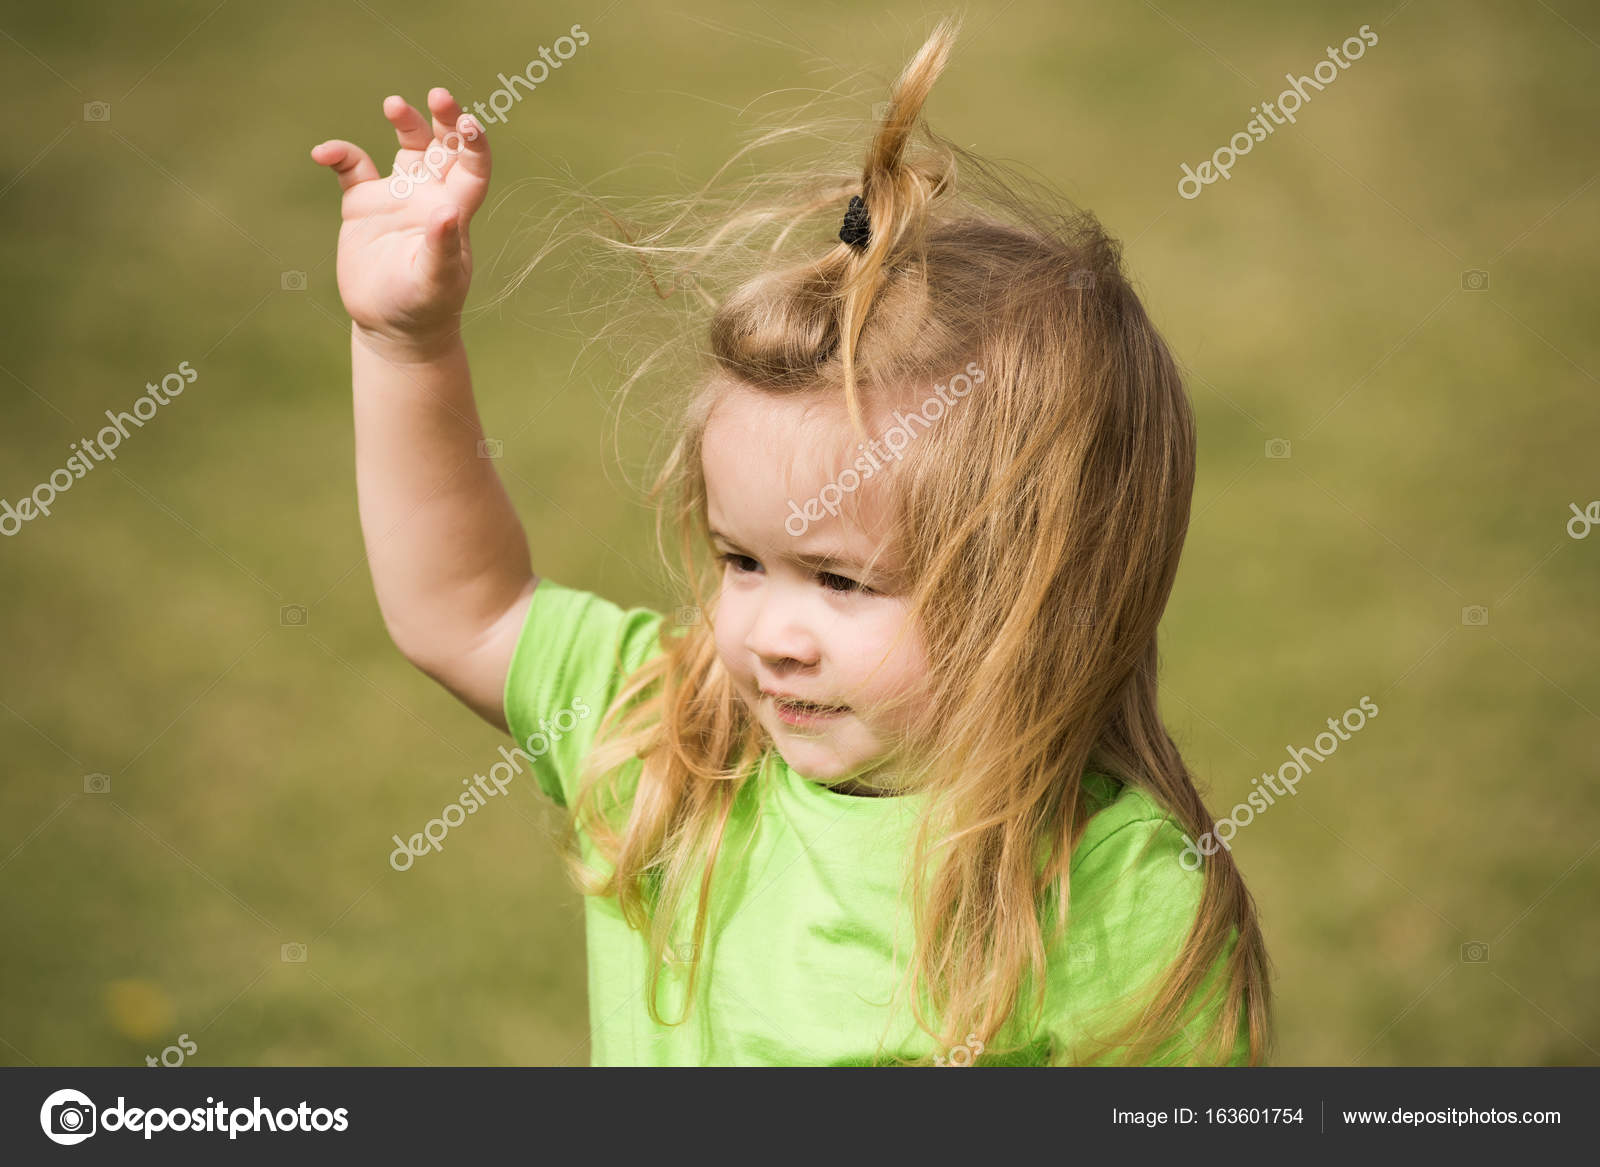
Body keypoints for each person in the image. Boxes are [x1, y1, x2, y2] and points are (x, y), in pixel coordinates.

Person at [310, 16, 1271, 1066]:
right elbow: (468, 611)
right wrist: (404, 343)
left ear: (1040, 588)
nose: (772, 633)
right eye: (741, 563)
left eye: (841, 582)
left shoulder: (1113, 894)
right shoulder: (676, 745)